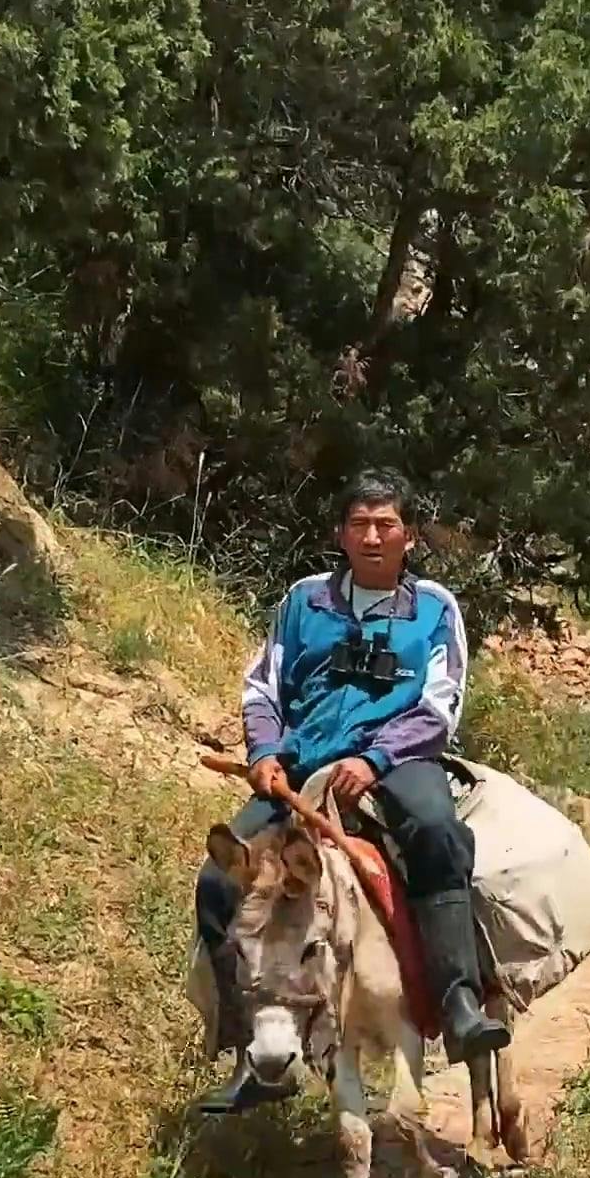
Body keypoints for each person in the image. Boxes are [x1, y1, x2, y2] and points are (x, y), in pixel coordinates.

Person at [198, 471, 509, 1113]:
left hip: (399, 760)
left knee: (439, 834)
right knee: (215, 882)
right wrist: (263, 754)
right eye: (360, 524)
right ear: (340, 534)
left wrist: (377, 757)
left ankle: (459, 1001)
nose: (372, 536)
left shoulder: (434, 608)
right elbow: (264, 687)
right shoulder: (303, 602)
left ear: (410, 537)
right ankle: (245, 1044)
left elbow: (440, 702)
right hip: (301, 762)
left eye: (386, 524)